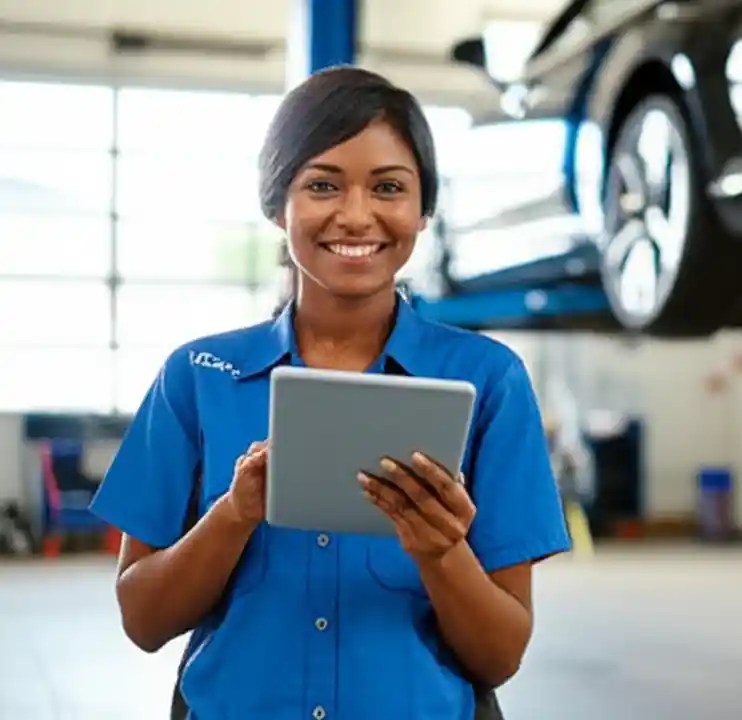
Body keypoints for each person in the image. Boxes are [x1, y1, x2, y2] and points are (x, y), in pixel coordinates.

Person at [89, 66, 571, 719]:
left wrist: (441, 552)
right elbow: (143, 620)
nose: (355, 214)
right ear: (276, 202)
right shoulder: (198, 376)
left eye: (389, 188)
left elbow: (500, 656)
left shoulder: (487, 380)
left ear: (424, 209)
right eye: (321, 184)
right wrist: (235, 513)